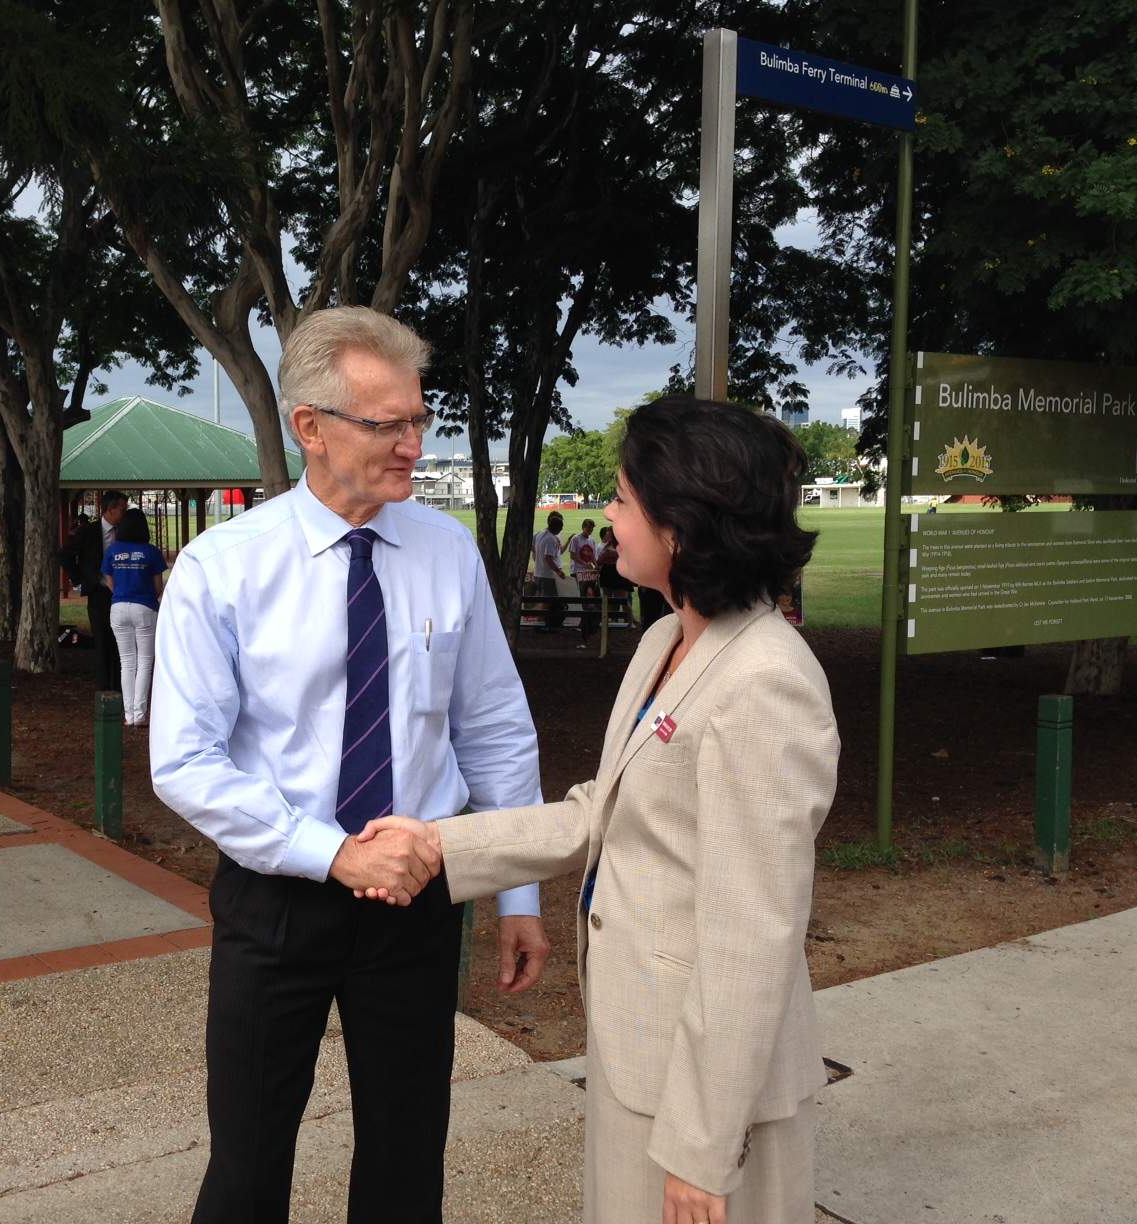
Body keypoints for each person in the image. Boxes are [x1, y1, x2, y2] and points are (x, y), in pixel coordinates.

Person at [358, 397, 840, 1224]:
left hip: (704, 1089)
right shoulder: (666, 641)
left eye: (621, 499)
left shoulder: (764, 681)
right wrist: (441, 842)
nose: (607, 517)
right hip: (638, 1052)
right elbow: (600, 811)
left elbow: (750, 936)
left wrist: (702, 1146)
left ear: (682, 523)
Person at [150, 305, 551, 1224]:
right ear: (311, 429)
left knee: (408, 1165)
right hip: (276, 900)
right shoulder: (224, 569)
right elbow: (184, 761)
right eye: (388, 425)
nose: (413, 445)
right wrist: (333, 853)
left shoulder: (448, 554)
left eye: (419, 419)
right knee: (247, 1172)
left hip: (416, 902)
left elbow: (493, 726)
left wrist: (517, 896)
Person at [102, 507, 167, 727]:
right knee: (145, 662)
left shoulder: (113, 550)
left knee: (126, 662)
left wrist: (121, 593)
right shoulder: (151, 552)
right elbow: (158, 585)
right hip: (145, 607)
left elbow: (108, 578)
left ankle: (128, 714)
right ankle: (140, 714)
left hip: (118, 607)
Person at [60, 491, 128, 690]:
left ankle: (118, 685)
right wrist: (80, 580)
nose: (124, 513)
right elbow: (65, 555)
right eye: (122, 509)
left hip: (121, 594)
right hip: (98, 593)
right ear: (110, 509)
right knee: (102, 639)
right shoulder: (88, 532)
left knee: (119, 640)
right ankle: (104, 686)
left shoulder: (125, 531)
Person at [532, 510, 566, 632]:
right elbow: (548, 558)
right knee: (547, 600)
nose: (561, 530)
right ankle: (540, 623)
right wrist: (558, 571)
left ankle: (539, 621)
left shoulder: (541, 534)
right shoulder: (551, 539)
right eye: (561, 527)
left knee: (542, 598)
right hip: (547, 576)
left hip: (538, 573)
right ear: (556, 528)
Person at [568, 517, 600, 645]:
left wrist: (595, 565)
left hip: (588, 573)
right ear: (583, 527)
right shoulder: (576, 539)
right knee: (580, 596)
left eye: (592, 528)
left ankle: (587, 621)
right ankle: (580, 622)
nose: (590, 530)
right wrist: (584, 563)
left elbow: (592, 555)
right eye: (589, 528)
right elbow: (572, 555)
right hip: (578, 572)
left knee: (588, 596)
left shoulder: (591, 540)